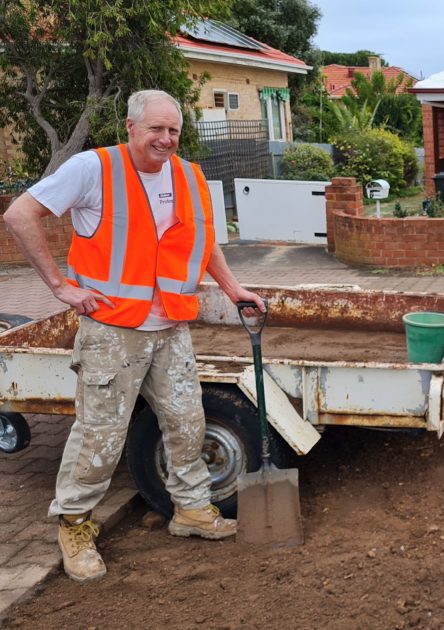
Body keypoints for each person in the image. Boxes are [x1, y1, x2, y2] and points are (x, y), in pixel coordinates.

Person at [3, 90, 266, 582]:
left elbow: (201, 243)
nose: (165, 140)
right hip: (111, 331)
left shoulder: (188, 174)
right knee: (100, 435)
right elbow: (19, 215)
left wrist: (233, 289)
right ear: (130, 127)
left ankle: (190, 510)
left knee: (187, 421)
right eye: (156, 130)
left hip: (171, 326)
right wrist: (61, 287)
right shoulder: (93, 169)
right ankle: (75, 525)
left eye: (174, 131)